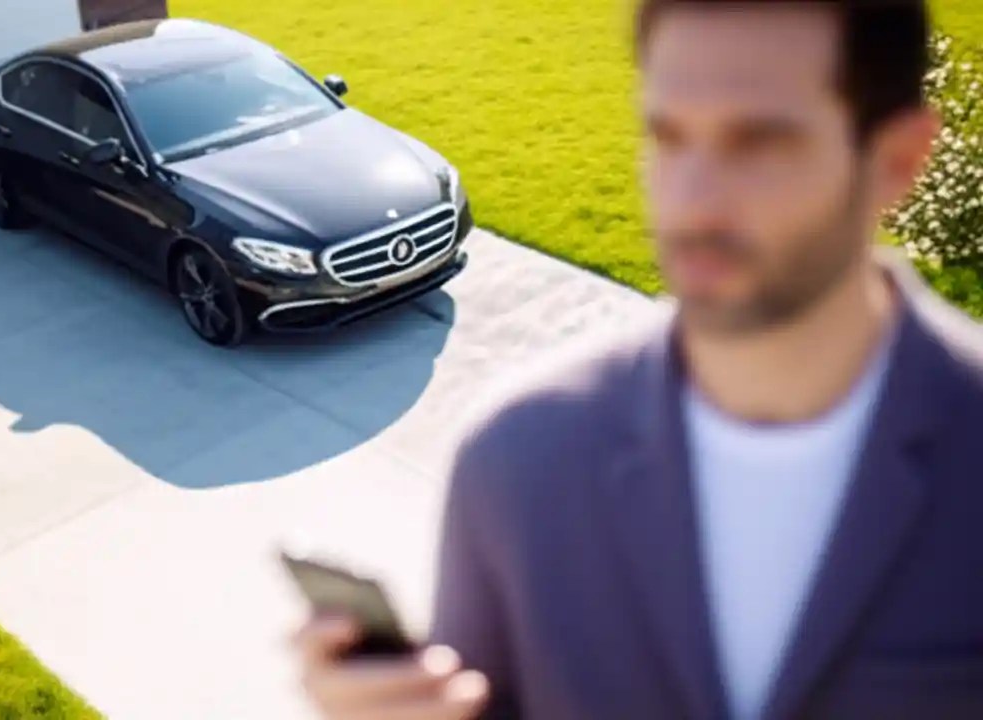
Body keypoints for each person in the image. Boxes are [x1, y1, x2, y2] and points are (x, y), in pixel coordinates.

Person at [294, 0, 983, 718]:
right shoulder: (516, 460)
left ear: (898, 160)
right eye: (670, 136)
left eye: (759, 142)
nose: (693, 202)